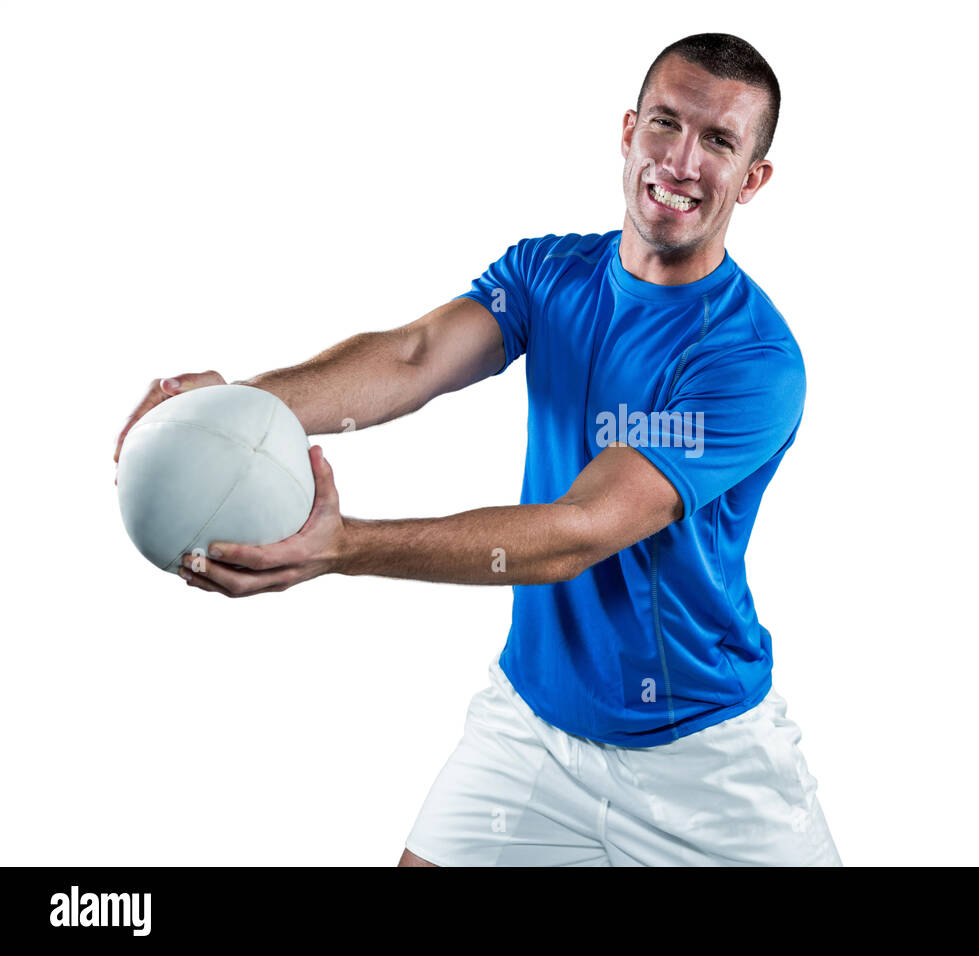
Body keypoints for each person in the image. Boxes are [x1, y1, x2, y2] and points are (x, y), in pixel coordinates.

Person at [113, 32, 841, 867]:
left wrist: (344, 549)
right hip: (533, 723)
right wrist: (235, 406)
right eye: (666, 124)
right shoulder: (550, 273)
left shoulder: (751, 358)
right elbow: (414, 356)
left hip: (705, 757)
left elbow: (578, 529)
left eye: (718, 142)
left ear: (753, 178)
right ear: (629, 128)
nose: (680, 161)